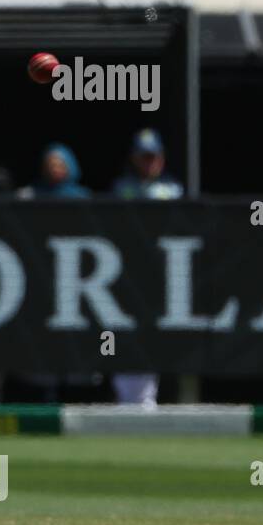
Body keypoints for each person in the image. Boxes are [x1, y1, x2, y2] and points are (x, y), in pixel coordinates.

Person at [111, 128, 181, 407]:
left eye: (153, 157)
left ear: (161, 158)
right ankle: (126, 400)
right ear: (134, 158)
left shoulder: (173, 190)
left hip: (165, 276)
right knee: (125, 334)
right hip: (127, 275)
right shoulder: (121, 189)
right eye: (144, 157)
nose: (149, 162)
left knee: (158, 338)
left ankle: (152, 400)